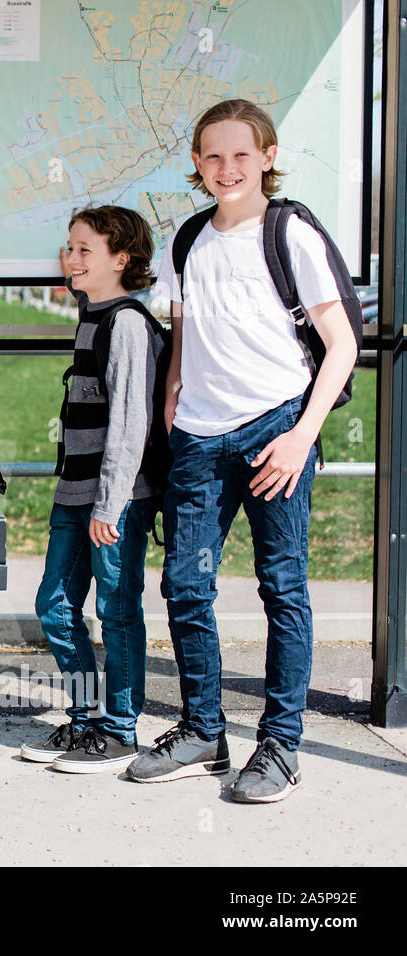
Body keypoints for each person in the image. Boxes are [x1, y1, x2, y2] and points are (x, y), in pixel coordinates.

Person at [127, 99, 358, 802]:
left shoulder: (291, 235)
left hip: (274, 432)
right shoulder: (187, 239)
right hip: (200, 439)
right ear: (196, 164)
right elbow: (184, 327)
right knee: (187, 585)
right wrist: (172, 392)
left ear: (267, 155)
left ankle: (281, 746)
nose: (227, 168)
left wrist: (300, 436)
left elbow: (343, 344)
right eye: (212, 156)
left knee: (281, 586)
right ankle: (203, 730)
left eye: (240, 154)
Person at [19, 206, 162, 773]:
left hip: (112, 501)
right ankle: (85, 719)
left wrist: (111, 504)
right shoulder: (92, 314)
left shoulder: (126, 322)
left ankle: (121, 729)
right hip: (73, 494)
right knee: (54, 606)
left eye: (84, 250)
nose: (70, 257)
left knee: (117, 610)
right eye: (68, 247)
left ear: (120, 259)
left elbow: (131, 423)